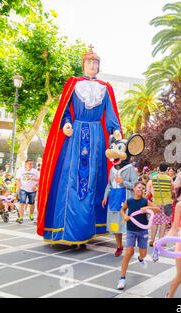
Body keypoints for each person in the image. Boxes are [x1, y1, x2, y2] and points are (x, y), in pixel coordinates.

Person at [37, 47, 121, 246]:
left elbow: (110, 114)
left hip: (97, 137)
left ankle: (89, 229)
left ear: (98, 67)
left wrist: (115, 130)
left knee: (93, 180)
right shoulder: (73, 84)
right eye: (89, 63)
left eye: (95, 63)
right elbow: (65, 110)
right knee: (70, 179)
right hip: (75, 135)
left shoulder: (105, 87)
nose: (92, 66)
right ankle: (65, 230)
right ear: (83, 65)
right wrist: (66, 123)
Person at [117, 181, 161, 290]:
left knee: (144, 253)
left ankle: (140, 259)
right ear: (134, 188)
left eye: (142, 188)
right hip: (131, 229)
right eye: (139, 188)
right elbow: (122, 210)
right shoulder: (130, 201)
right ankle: (122, 278)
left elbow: (158, 210)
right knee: (127, 253)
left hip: (142, 231)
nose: (140, 190)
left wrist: (147, 209)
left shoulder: (145, 201)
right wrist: (124, 216)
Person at [149, 162, 174, 246]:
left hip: (156, 202)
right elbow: (172, 189)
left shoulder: (154, 177)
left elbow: (151, 188)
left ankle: (152, 239)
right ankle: (160, 241)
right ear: (167, 169)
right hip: (166, 202)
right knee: (164, 222)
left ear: (159, 168)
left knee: (154, 222)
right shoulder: (169, 179)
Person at [16, 159, 40, 224]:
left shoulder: (35, 171)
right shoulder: (20, 170)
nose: (31, 165)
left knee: (32, 203)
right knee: (22, 203)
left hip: (32, 190)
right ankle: (20, 217)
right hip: (23, 188)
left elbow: (39, 180)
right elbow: (18, 179)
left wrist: (36, 185)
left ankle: (31, 215)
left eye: (32, 164)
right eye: (30, 163)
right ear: (25, 164)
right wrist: (19, 185)